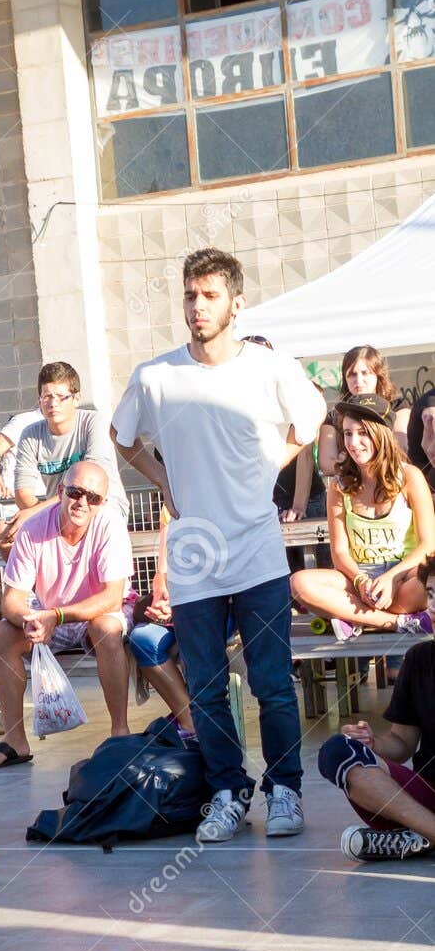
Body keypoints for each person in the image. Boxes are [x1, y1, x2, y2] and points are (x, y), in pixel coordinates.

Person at [111, 247, 326, 845]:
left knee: (273, 683)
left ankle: (285, 789)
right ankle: (228, 792)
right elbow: (120, 437)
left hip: (257, 554)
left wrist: (265, 471)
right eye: (189, 295)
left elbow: (308, 425)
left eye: (209, 295)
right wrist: (164, 481)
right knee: (204, 686)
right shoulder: (155, 376)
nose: (197, 306)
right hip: (195, 560)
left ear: (236, 302)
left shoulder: (269, 366)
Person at [0, 461, 134, 766]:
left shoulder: (110, 525)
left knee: (106, 627)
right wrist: (28, 619)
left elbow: (111, 598)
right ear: (62, 491)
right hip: (52, 613)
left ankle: (120, 732)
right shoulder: (33, 529)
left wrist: (56, 615)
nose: (82, 503)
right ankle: (15, 740)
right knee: (2, 633)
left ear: (102, 503)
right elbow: (12, 599)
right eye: (76, 492)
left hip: (94, 612)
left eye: (92, 498)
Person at [290, 397, 434, 639]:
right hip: (358, 583)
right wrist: (360, 582)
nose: (353, 443)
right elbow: (339, 553)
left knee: (429, 581)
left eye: (362, 433)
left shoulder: (410, 476)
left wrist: (392, 577)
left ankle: (356, 619)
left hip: (405, 579)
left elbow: (428, 545)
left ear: (381, 434)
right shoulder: (339, 486)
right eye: (347, 434)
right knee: (300, 583)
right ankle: (396, 623)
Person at [317, 640, 435, 861]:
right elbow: (401, 742)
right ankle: (425, 833)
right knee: (337, 751)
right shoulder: (420, 656)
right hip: (424, 803)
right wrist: (372, 744)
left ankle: (417, 839)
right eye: (430, 602)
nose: (433, 608)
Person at [1, 362, 128, 555]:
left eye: (61, 397)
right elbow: (23, 494)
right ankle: (30, 584)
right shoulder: (30, 433)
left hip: (97, 506)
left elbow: (88, 488)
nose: (53, 403)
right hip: (58, 513)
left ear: (76, 398)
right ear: (40, 400)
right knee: (3, 531)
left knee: (95, 519)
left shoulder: (95, 423)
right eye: (47, 397)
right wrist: (39, 515)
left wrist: (34, 513)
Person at [123, 510, 195, 730]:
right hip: (178, 608)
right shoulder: (169, 507)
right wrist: (162, 598)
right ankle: (191, 722)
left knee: (196, 636)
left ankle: (210, 720)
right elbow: (161, 574)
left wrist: (180, 610)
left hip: (215, 610)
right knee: (143, 639)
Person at [318, 346, 411, 475]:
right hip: (352, 486)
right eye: (352, 374)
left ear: (378, 374)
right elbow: (327, 464)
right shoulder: (334, 416)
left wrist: (346, 460)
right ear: (345, 379)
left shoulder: (397, 407)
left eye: (365, 373)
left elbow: (401, 451)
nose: (358, 380)